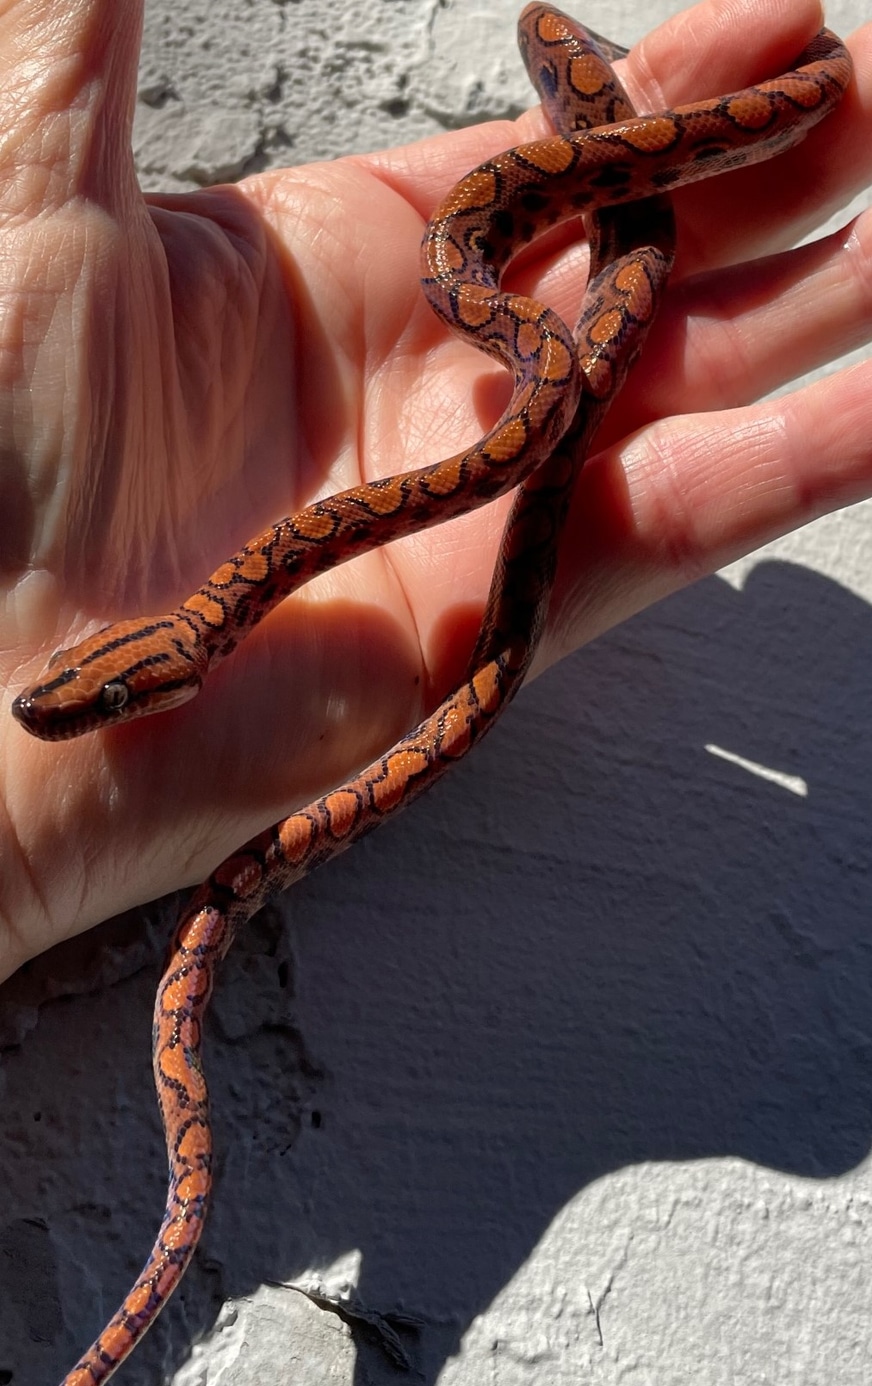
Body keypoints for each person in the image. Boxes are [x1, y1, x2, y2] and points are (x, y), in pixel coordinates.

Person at [0, 0, 869, 984]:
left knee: (634, 149)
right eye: (106, 698)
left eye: (109, 687)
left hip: (610, 186)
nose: (81, 706)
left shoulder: (470, 285)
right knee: (630, 233)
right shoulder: (253, 573)